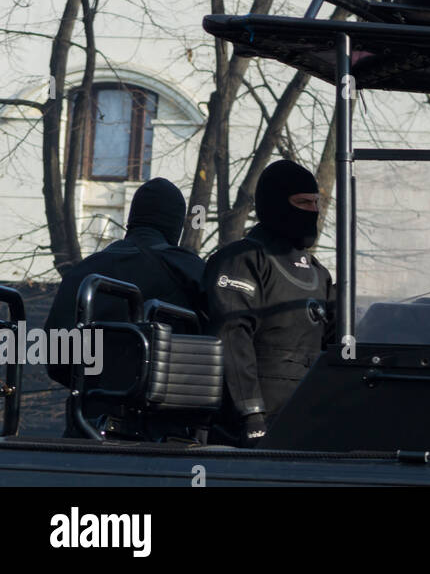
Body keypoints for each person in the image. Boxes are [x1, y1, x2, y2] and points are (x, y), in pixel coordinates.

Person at [44, 178, 205, 434]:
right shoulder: (191, 272)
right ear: (175, 223)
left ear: (133, 217)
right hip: (167, 430)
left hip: (88, 424)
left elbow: (55, 357)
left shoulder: (84, 271)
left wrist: (97, 385)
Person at [203, 159, 334, 447]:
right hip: (251, 426)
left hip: (306, 420)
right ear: (276, 204)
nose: (313, 210)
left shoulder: (319, 274)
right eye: (303, 202)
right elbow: (232, 337)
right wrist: (250, 415)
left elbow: (336, 344)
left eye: (316, 202)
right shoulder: (241, 261)